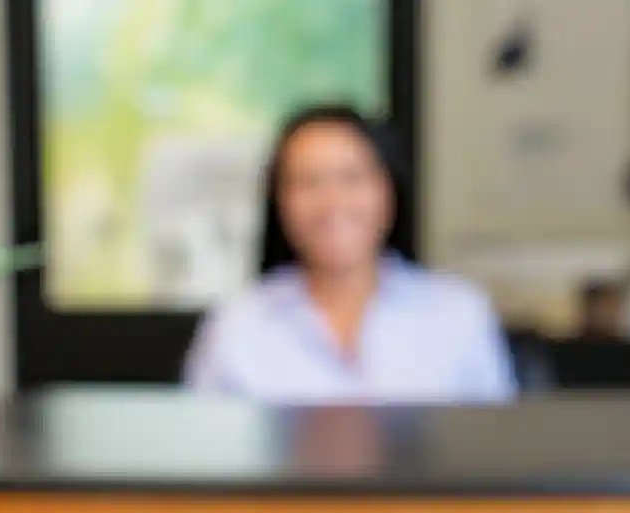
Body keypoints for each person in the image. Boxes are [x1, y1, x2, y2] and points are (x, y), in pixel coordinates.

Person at [186, 106, 516, 404]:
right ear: (279, 201)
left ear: (389, 190)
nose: (332, 202)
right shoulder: (238, 325)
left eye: (352, 177)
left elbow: (496, 452)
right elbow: (202, 455)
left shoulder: (458, 315)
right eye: (308, 182)